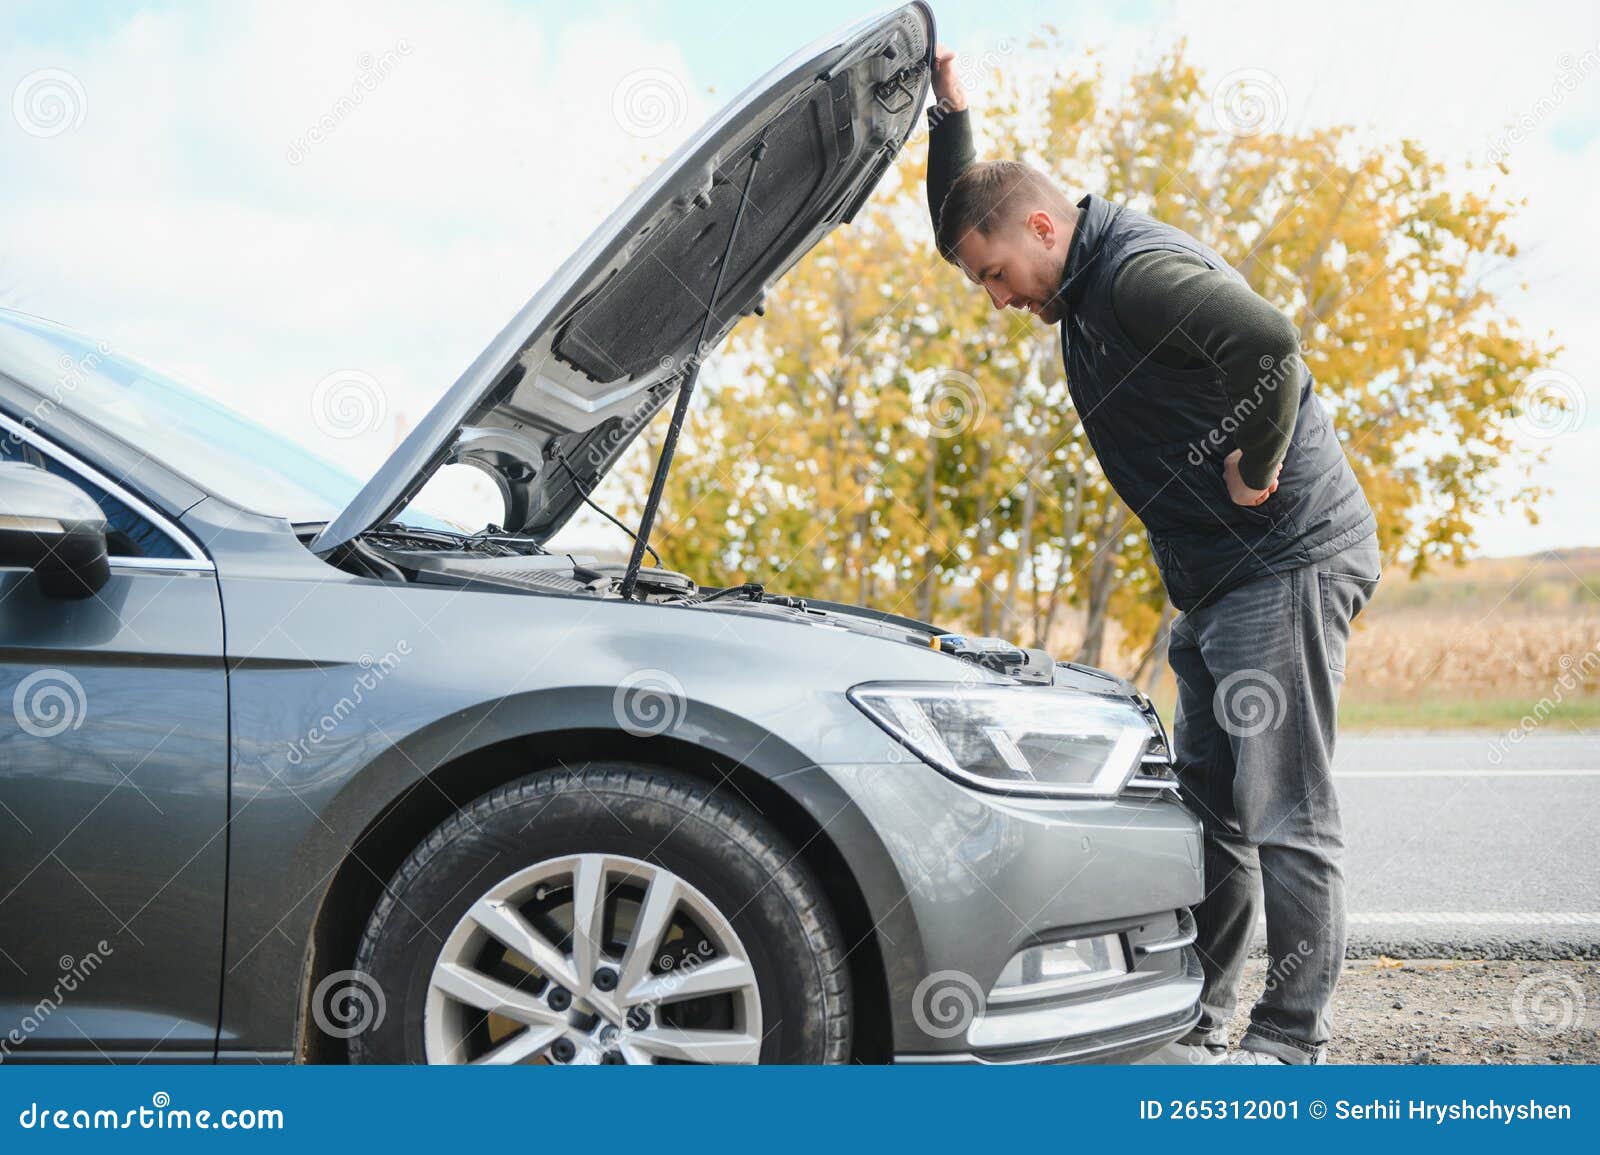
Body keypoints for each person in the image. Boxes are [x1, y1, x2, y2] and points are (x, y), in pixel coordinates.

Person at [925, 46, 1381, 1065]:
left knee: (1285, 812)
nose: (996, 299)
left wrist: (1258, 465)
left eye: (996, 277)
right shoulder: (1066, 272)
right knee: (1208, 808)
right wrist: (947, 118)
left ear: (1044, 227)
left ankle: (1287, 1041)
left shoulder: (1132, 275)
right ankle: (1194, 1018)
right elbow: (957, 219)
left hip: (1286, 557)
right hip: (1216, 578)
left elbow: (1271, 343)